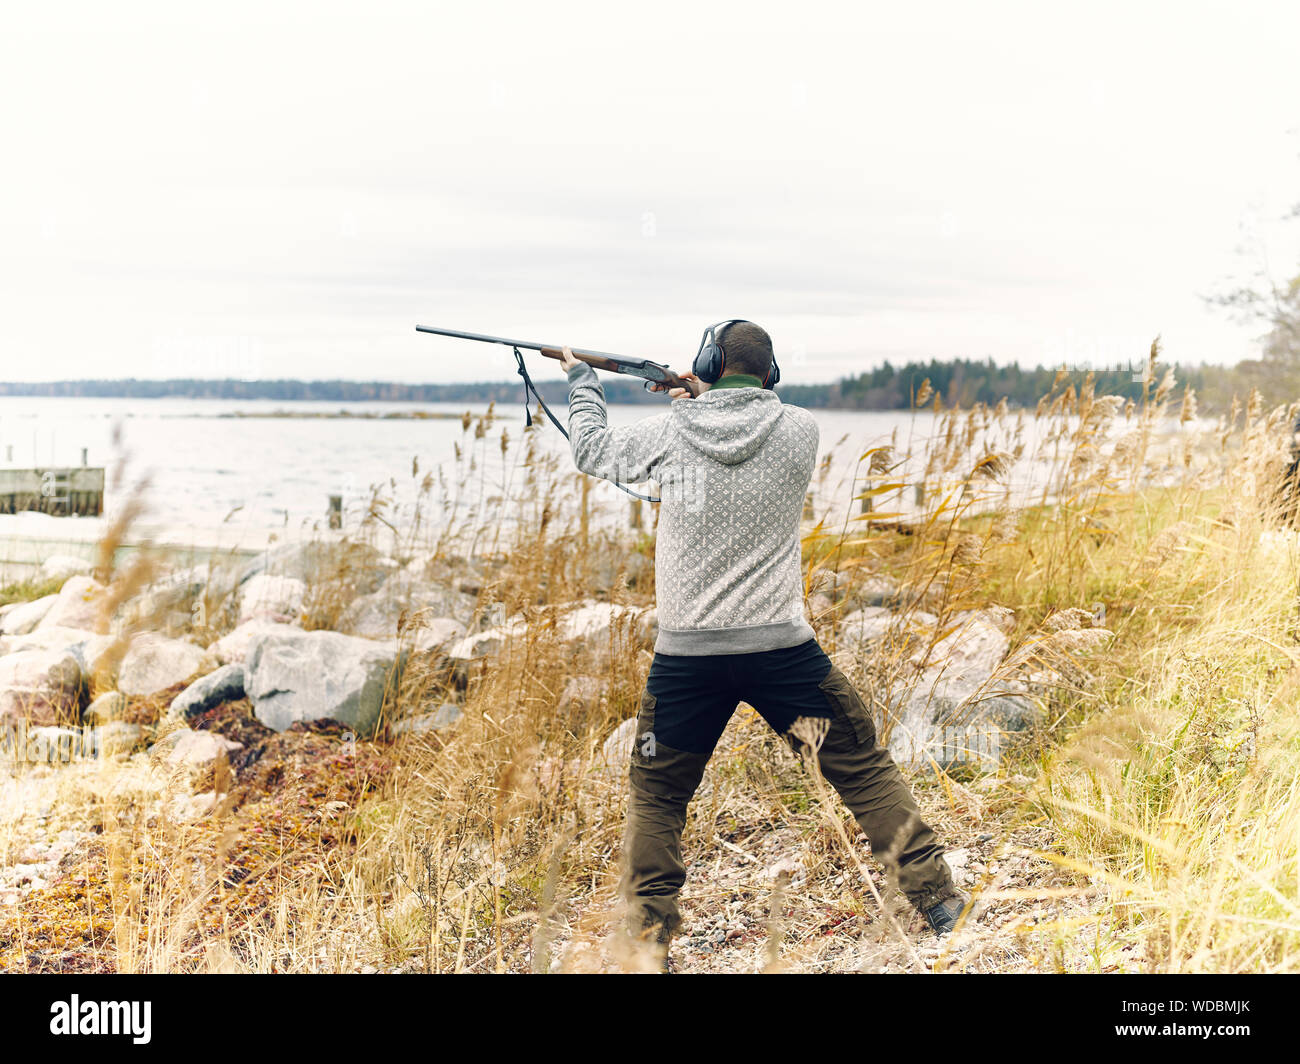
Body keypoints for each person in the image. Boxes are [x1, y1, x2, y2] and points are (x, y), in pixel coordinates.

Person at [557, 320, 967, 967]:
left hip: (687, 660)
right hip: (783, 654)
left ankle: (646, 946)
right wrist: (704, 397)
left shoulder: (673, 431)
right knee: (861, 770)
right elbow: (740, 424)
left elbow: (592, 450)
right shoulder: (799, 430)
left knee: (658, 797)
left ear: (707, 362)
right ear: (770, 375)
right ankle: (941, 905)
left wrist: (582, 380)